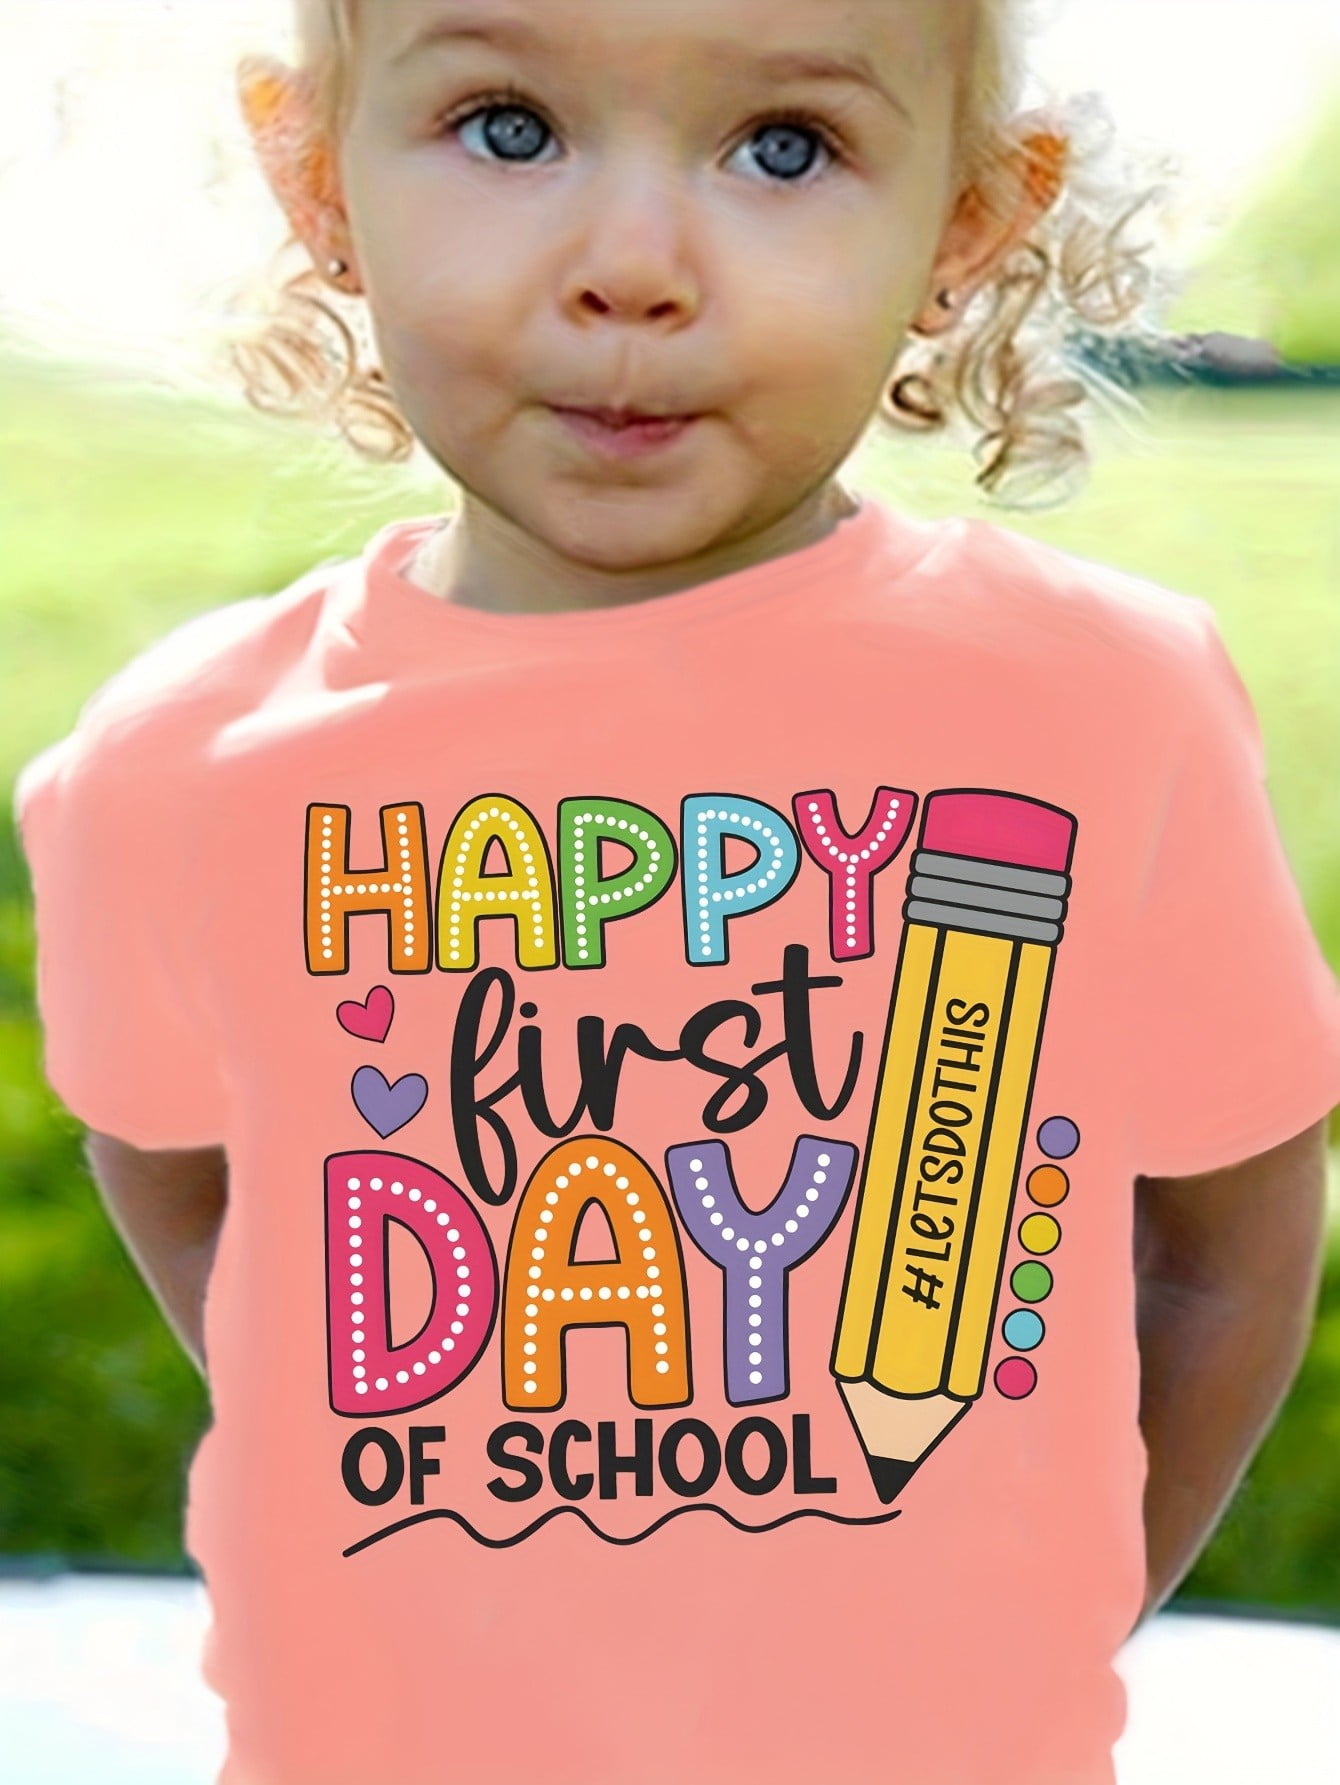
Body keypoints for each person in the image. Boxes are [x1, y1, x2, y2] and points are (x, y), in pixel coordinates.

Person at [12, 2, 1340, 1782]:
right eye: (502, 123)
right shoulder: (173, 769)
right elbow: (185, 1183)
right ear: (317, 173)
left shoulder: (1090, 707)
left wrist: (1037, 1624)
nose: (631, 267)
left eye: (784, 147)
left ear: (965, 220)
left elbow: (1229, 1241)